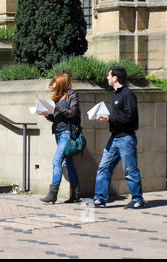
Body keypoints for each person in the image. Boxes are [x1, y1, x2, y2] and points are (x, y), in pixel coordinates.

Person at [94, 65, 144, 209]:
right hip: (114, 138)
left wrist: (109, 118)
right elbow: (117, 116)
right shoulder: (115, 94)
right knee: (104, 167)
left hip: (126, 139)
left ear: (115, 78)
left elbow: (130, 117)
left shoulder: (127, 94)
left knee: (130, 169)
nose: (107, 78)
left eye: (109, 75)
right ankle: (99, 198)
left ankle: (137, 199)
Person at [40, 71, 82, 204]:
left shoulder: (72, 96)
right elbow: (55, 118)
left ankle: (53, 193)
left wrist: (56, 107)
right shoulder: (57, 98)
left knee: (56, 161)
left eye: (54, 82)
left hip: (67, 134)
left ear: (61, 83)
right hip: (58, 133)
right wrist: (47, 114)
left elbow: (73, 113)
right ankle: (76, 194)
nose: (52, 84)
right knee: (68, 164)